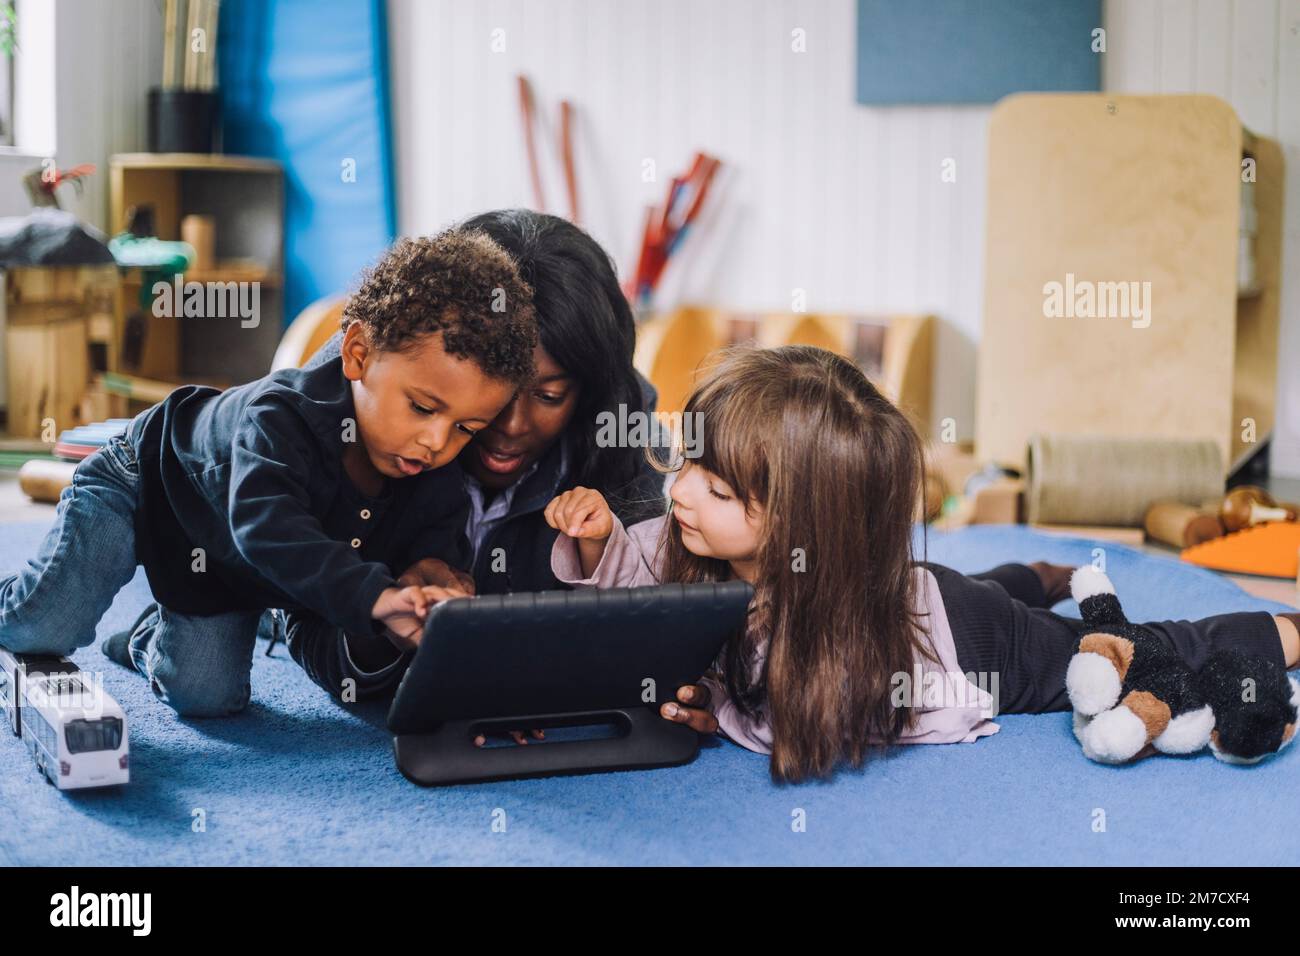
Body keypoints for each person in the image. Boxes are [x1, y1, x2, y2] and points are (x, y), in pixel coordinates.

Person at [544, 345, 1300, 782]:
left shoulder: (832, 628)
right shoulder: (687, 532)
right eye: (686, 465)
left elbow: (810, 730)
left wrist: (723, 711)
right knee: (995, 586)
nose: (679, 492)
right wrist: (596, 538)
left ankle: (1289, 627)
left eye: (716, 488)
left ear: (803, 524)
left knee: (1136, 649)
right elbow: (628, 591)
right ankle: (1031, 574)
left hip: (963, 639)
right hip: (921, 589)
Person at [0, 227, 537, 718]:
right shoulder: (282, 415)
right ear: (357, 354)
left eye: (467, 428)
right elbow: (268, 529)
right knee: (40, 628)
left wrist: (430, 580)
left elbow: (431, 541)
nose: (438, 442)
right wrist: (376, 597)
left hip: (224, 561)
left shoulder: (430, 465)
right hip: (145, 480)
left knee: (207, 699)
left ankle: (145, 638)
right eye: (422, 407)